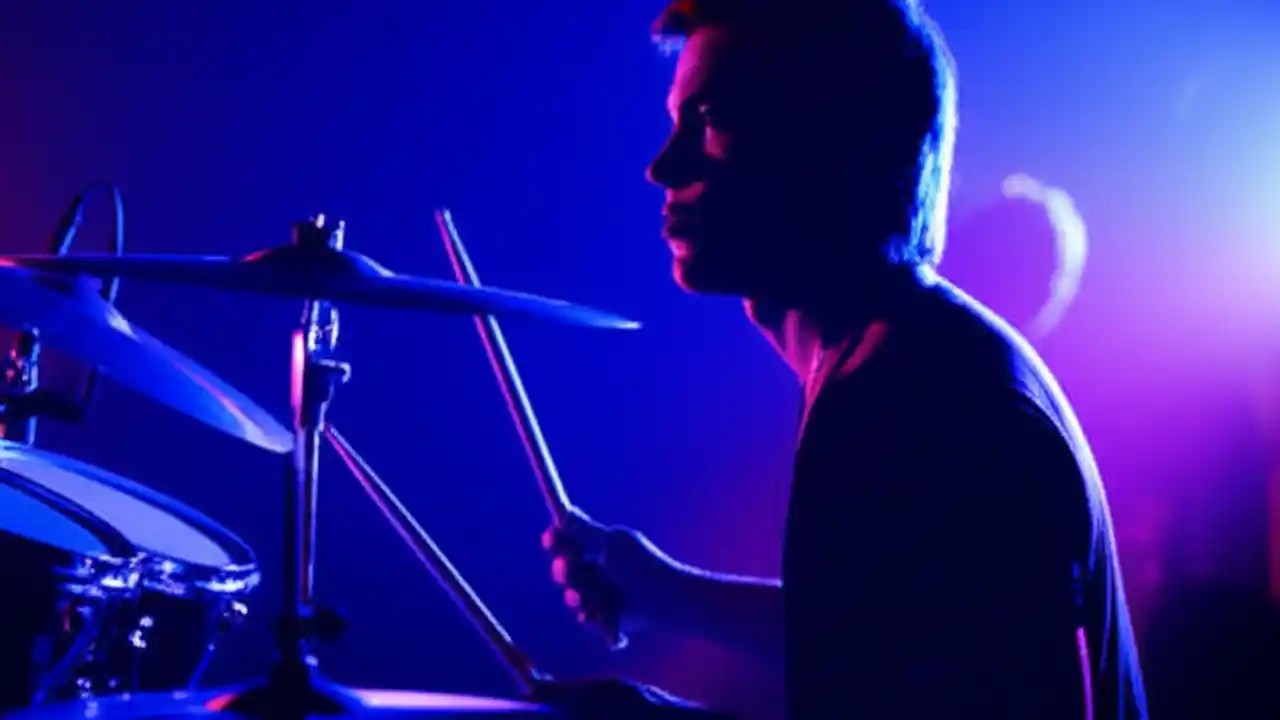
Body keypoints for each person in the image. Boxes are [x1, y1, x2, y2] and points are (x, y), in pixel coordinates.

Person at [540, 1, 1149, 718]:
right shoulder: (904, 362)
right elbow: (898, 644)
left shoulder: (928, 404)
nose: (662, 165)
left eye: (710, 118)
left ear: (833, 142)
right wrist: (673, 595)